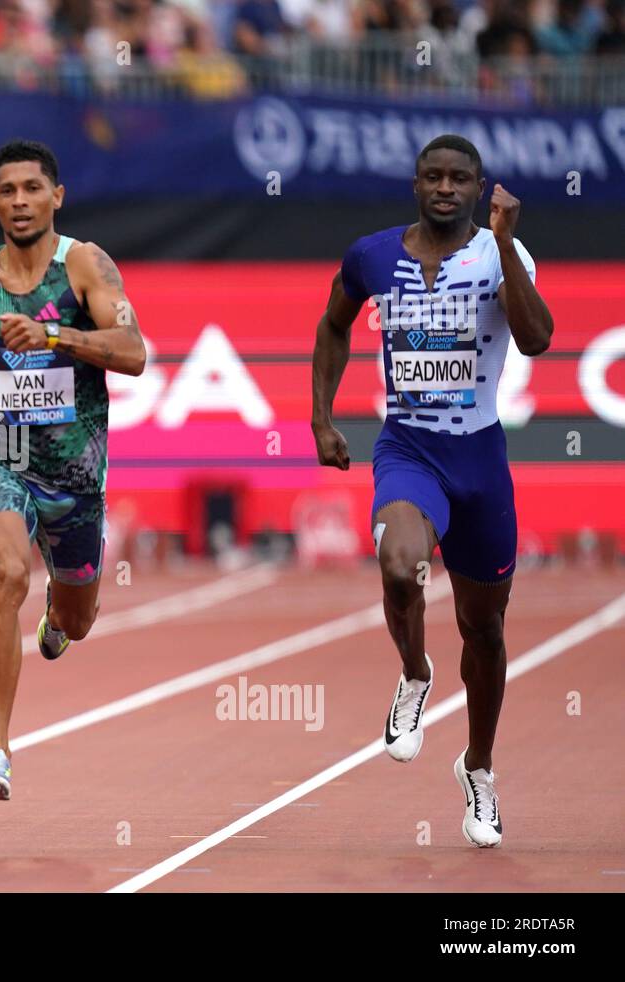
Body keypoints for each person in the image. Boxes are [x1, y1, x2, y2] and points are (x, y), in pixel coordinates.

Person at [310, 134, 554, 847]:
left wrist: (506, 245)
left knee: (485, 631)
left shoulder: (501, 253)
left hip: (480, 459)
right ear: (415, 183)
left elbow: (537, 339)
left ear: (478, 188)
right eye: (433, 177)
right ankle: (414, 673)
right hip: (408, 448)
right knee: (399, 564)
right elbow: (332, 325)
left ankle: (478, 768)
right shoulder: (372, 256)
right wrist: (321, 417)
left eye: (459, 179)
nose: (445, 188)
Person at [0, 139, 147, 801]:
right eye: (8, 191)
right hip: (0, 454)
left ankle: (59, 620)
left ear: (57, 196)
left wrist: (55, 336)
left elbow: (133, 351)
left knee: (79, 617)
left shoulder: (85, 265)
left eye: (32, 189)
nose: (20, 201)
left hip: (75, 468)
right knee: (7, 572)